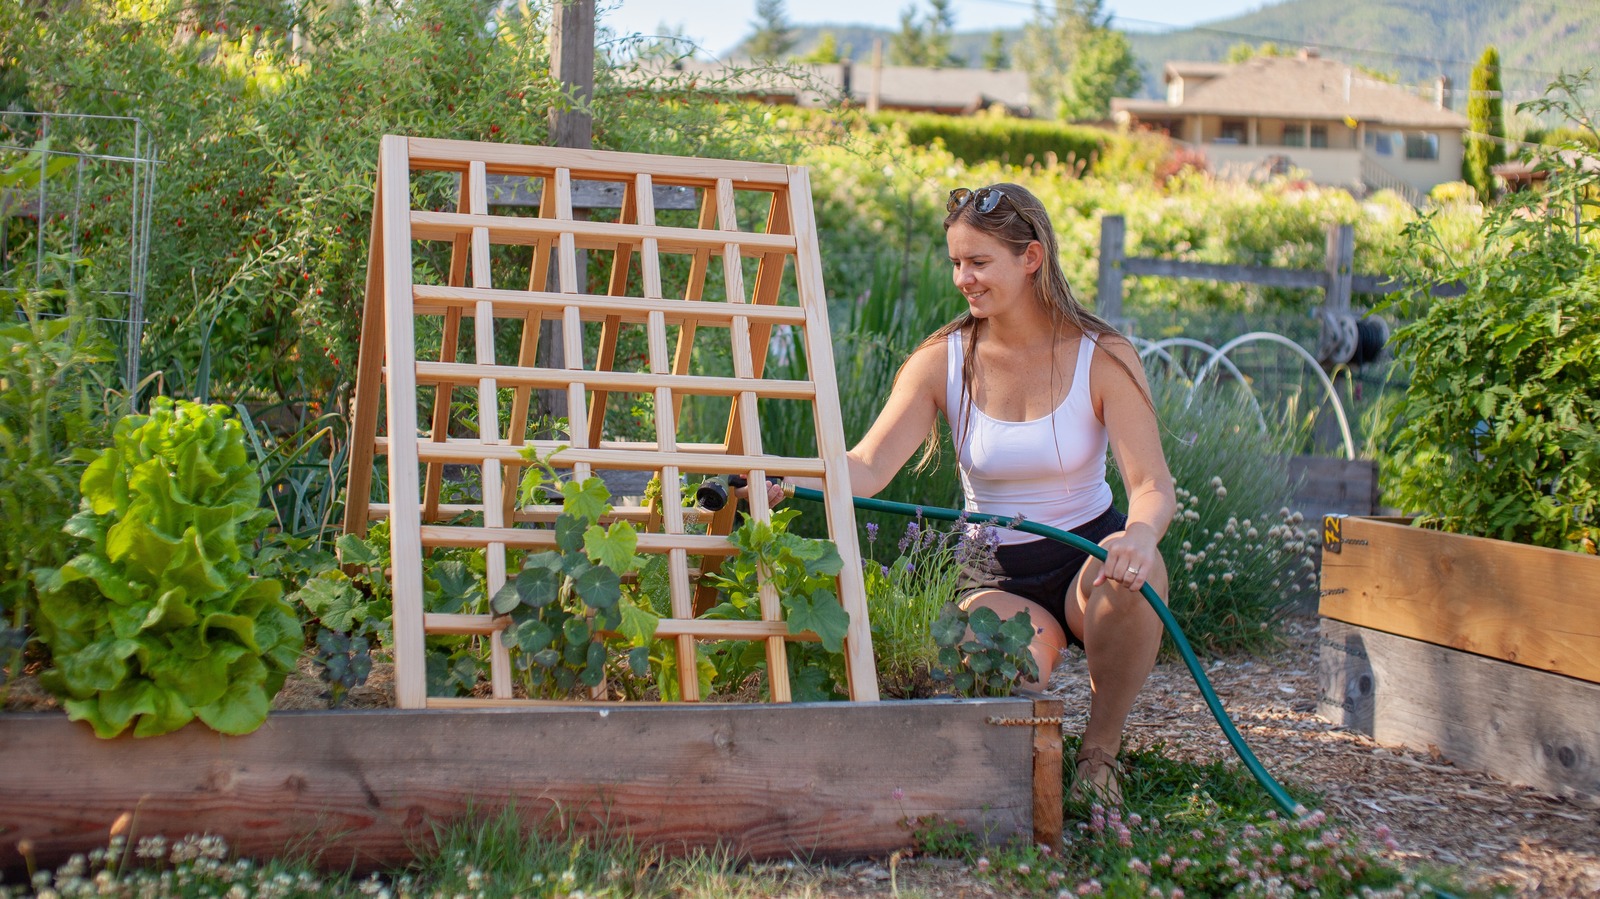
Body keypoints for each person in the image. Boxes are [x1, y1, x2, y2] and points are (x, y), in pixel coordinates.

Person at [771, 182, 1175, 806]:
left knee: (1134, 583)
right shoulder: (943, 360)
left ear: (1031, 258)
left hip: (1087, 556)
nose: (964, 278)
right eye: (956, 262)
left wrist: (1140, 536)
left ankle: (1100, 753)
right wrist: (783, 476)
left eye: (979, 262)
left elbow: (1151, 484)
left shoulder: (1102, 355)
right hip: (994, 570)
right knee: (991, 675)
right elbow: (867, 466)